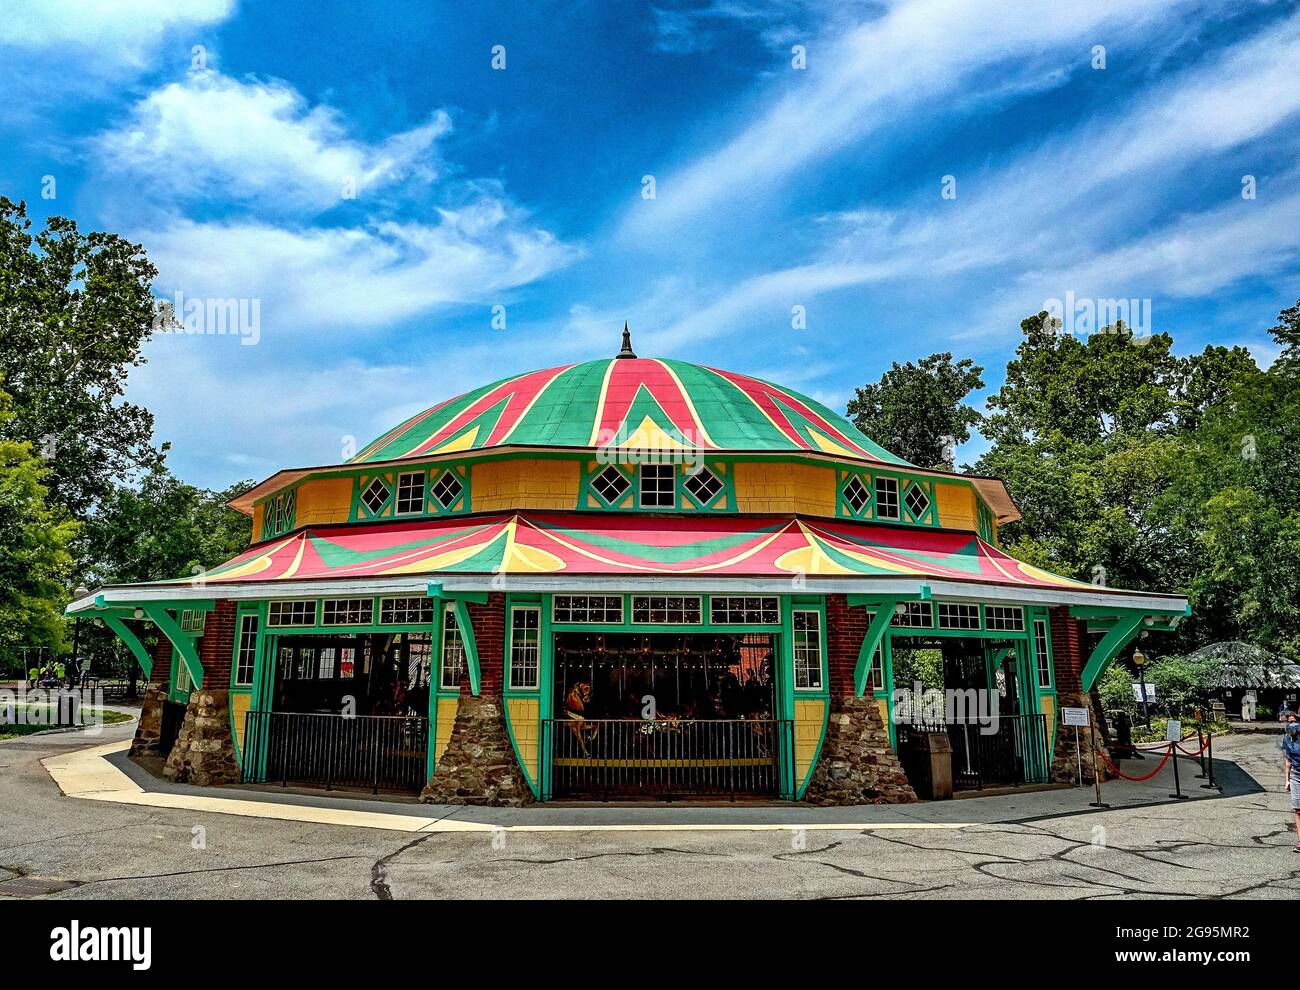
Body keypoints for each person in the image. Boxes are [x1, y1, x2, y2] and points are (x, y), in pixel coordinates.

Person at [1284, 714, 1300, 853]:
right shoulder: (1287, 739)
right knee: (1298, 809)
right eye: (1289, 723)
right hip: (1296, 776)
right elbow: (1288, 761)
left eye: (1294, 722)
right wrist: (1287, 780)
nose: (1291, 725)